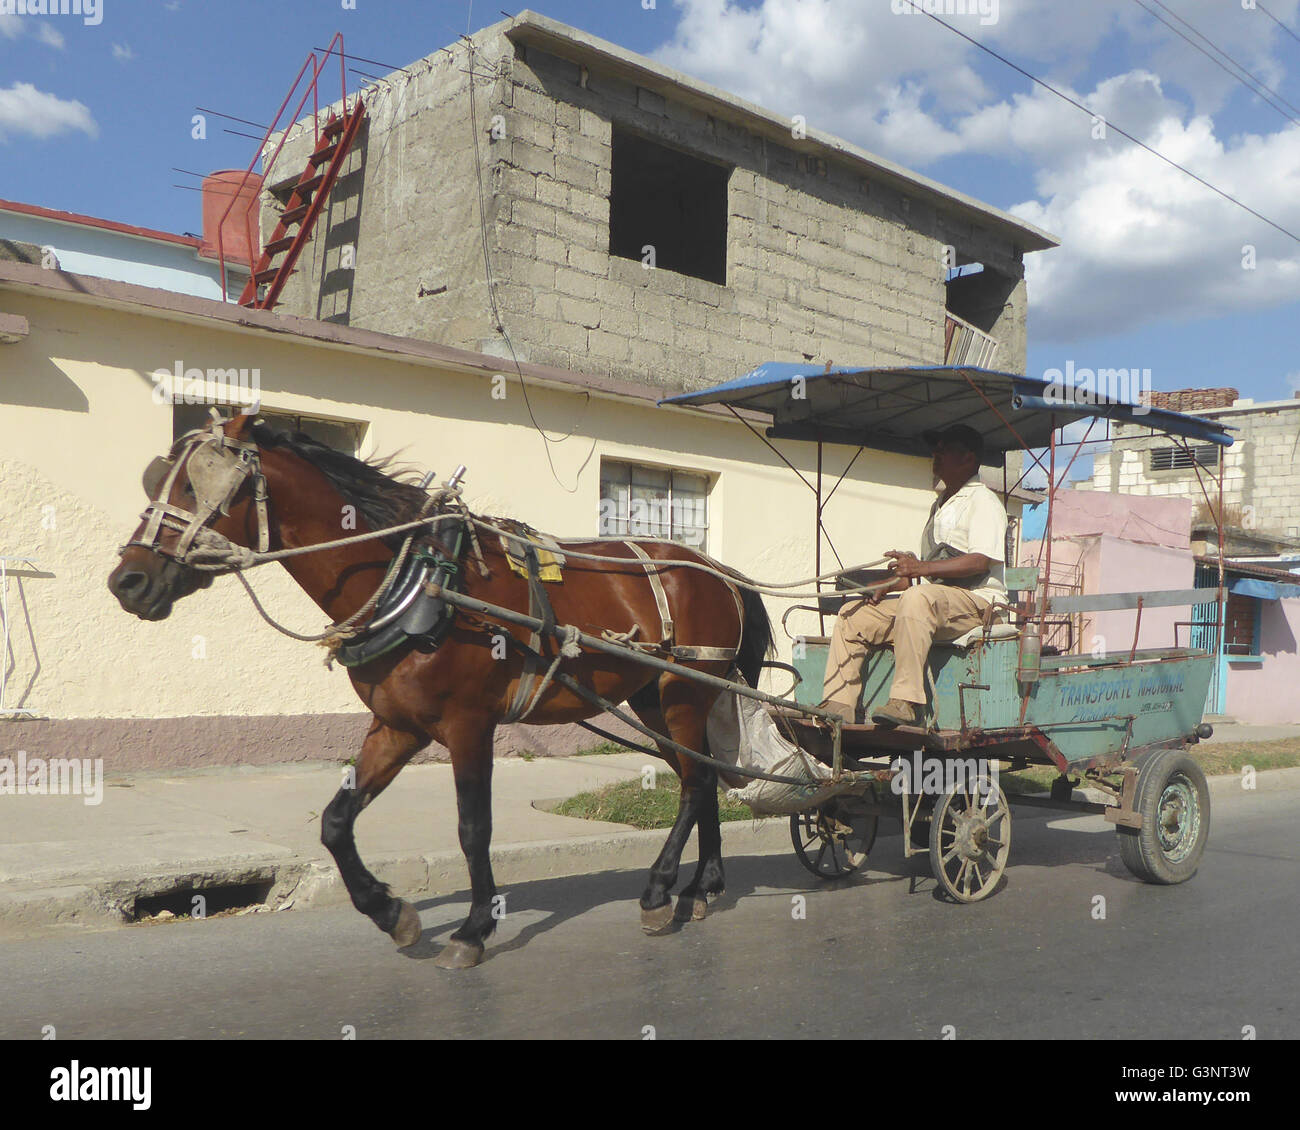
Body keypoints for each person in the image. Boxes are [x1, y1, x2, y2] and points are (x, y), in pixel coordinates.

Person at [820, 424, 1008, 728]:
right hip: (935, 603)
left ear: (968, 458)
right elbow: (933, 572)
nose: (936, 455)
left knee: (917, 598)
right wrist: (898, 579)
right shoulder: (941, 504)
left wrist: (920, 569)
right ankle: (838, 707)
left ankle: (905, 702)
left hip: (978, 604)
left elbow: (980, 561)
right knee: (852, 616)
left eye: (944, 450)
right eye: (936, 450)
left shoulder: (984, 501)